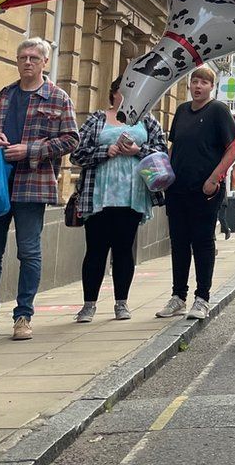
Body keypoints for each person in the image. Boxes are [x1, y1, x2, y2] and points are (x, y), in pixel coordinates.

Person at [0, 38, 78, 342]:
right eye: (22, 57)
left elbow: (70, 140)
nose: (27, 62)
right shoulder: (3, 95)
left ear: (44, 63)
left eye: (33, 58)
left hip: (33, 185)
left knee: (28, 252)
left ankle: (23, 316)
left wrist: (31, 149)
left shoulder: (57, 97)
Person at [71, 76, 167, 322]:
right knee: (95, 251)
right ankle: (88, 305)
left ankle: (121, 303)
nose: (126, 97)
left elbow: (162, 154)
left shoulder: (147, 120)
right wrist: (107, 150)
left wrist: (138, 151)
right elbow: (77, 153)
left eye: (132, 92)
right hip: (97, 195)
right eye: (122, 91)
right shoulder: (97, 119)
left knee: (124, 251)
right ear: (113, 93)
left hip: (132, 197)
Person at [155, 66, 235, 321]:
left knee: (202, 242)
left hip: (206, 189)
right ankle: (178, 296)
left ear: (211, 86)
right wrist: (165, 174)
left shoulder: (218, 111)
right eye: (194, 81)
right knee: (179, 242)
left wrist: (215, 178)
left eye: (203, 82)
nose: (198, 86)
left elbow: (234, 148)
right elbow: (174, 147)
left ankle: (202, 298)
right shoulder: (181, 111)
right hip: (178, 188)